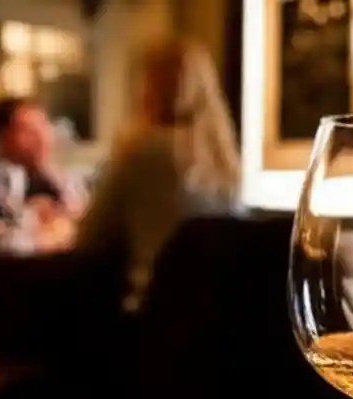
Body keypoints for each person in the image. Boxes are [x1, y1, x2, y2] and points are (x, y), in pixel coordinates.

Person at [75, 37, 241, 310]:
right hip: (221, 318)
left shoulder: (144, 150)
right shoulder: (225, 160)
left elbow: (89, 238)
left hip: (157, 317)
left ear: (149, 87)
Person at [0, 97, 70, 218]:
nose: (41, 138)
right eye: (28, 131)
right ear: (1, 137)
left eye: (43, 127)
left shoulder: (57, 183)